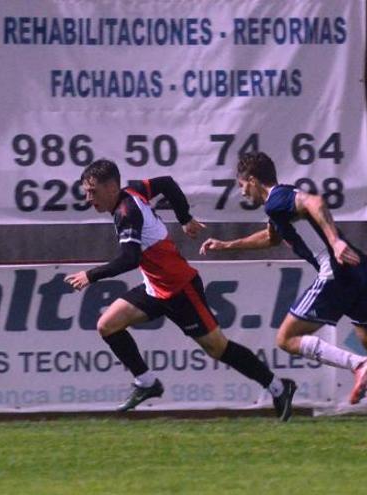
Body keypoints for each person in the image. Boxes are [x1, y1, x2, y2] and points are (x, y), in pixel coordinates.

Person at [200, 151, 367, 426]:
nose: (242, 192)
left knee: (286, 338)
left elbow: (314, 201)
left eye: (242, 185)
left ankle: (359, 364)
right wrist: (228, 246)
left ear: (253, 180)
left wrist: (335, 242)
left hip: (337, 272)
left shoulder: (278, 200)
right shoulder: (277, 207)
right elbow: (271, 238)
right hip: (359, 270)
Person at [65, 159, 298, 421]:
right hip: (155, 288)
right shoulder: (134, 190)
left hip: (180, 289)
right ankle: (146, 382)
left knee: (218, 348)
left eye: (92, 191)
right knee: (107, 325)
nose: (88, 198)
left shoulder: (127, 211)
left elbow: (129, 258)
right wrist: (184, 218)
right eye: (86, 191)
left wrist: (90, 275)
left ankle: (279, 387)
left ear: (111, 187)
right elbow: (166, 183)